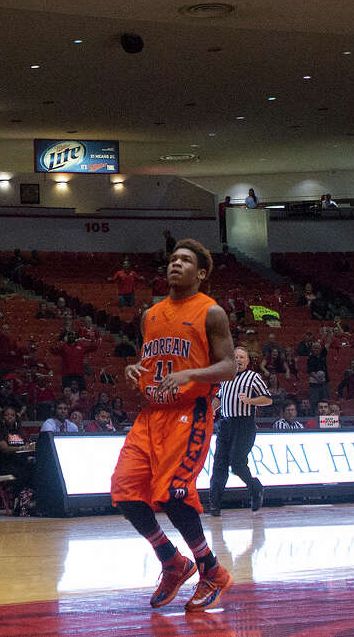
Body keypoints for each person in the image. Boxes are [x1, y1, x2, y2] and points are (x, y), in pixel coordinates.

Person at [111, 240, 237, 612]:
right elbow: (155, 360)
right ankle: (172, 561)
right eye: (171, 260)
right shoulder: (150, 314)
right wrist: (134, 369)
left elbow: (229, 365)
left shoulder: (210, 312)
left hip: (189, 412)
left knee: (173, 493)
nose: (175, 265)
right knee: (125, 493)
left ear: (200, 274)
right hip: (151, 415)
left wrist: (192, 373)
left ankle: (211, 571)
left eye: (185, 261)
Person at [209, 347, 271, 516]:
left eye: (242, 357)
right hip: (225, 424)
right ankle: (214, 503)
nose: (239, 360)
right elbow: (220, 398)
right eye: (235, 357)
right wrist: (210, 411)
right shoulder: (225, 378)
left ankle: (255, 488)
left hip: (244, 425)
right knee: (219, 464)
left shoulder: (253, 377)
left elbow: (268, 399)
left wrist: (250, 400)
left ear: (248, 361)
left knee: (237, 463)